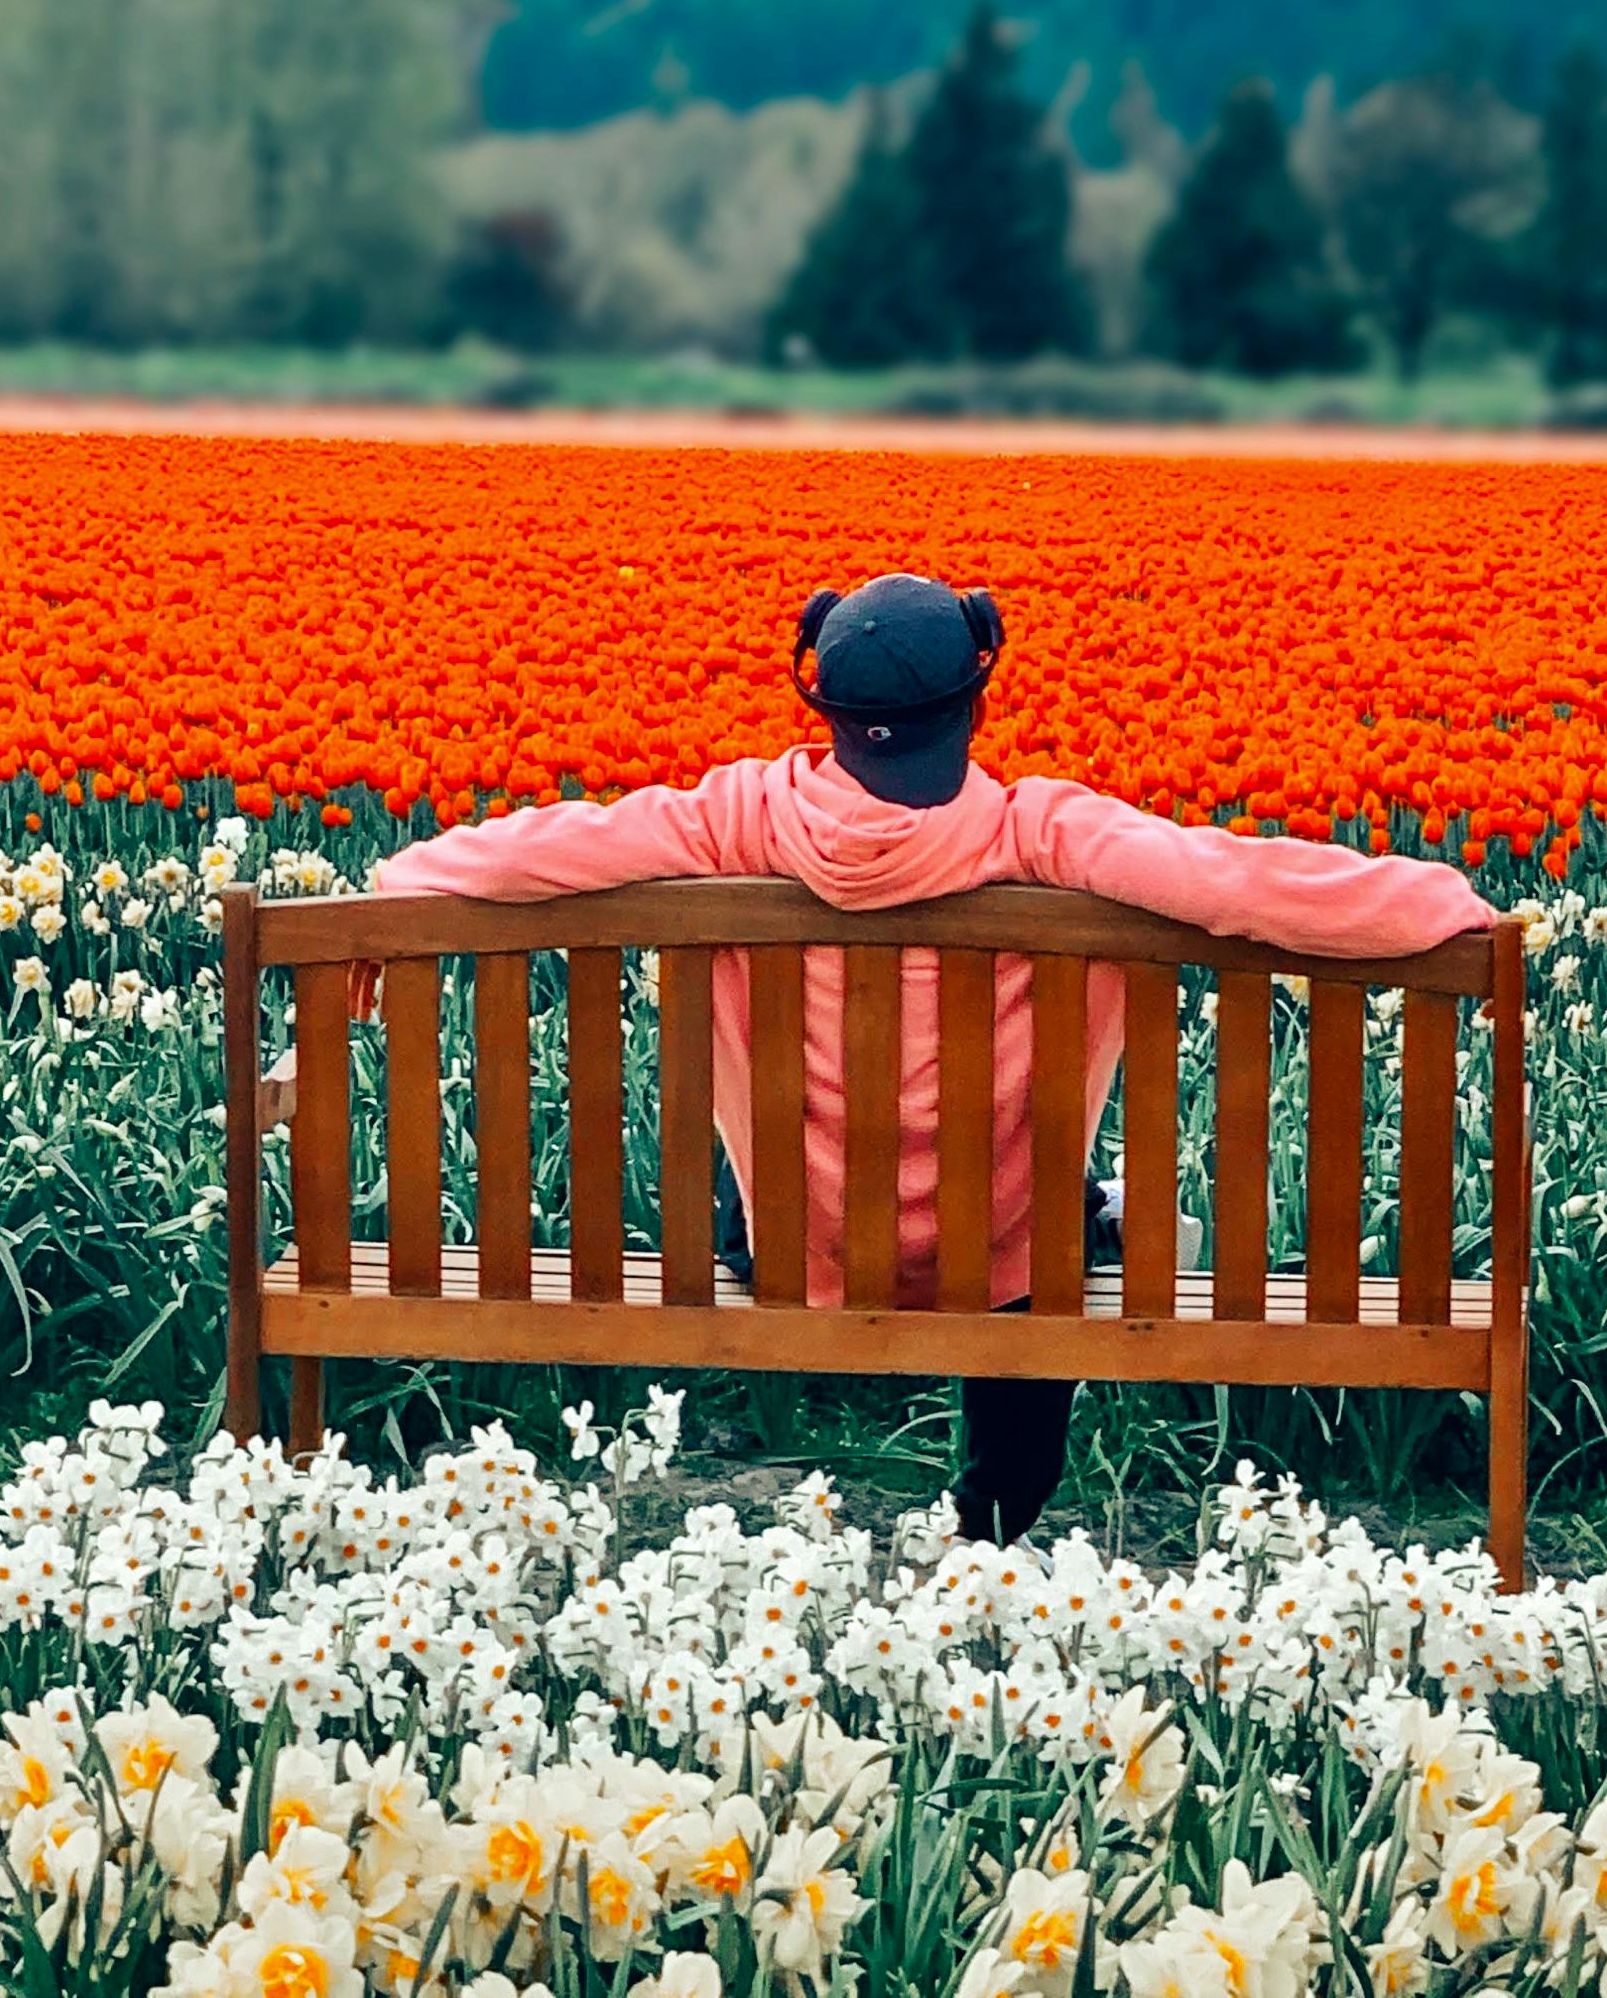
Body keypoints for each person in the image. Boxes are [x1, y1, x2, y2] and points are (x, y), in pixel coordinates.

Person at [363, 570, 1499, 1539]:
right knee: (1048, 1219)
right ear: (979, 686)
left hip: (793, 1247)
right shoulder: (1040, 830)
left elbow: (555, 845)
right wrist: (1450, 905)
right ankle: (994, 1514)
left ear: (824, 695)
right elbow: (1239, 882)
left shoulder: (739, 815)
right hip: (998, 1260)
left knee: (761, 1138)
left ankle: (1010, 1222)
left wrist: (399, 883)